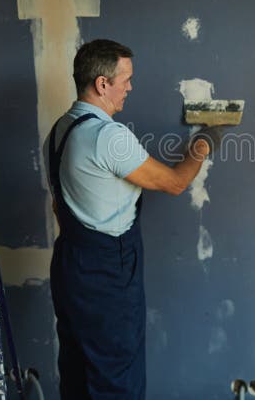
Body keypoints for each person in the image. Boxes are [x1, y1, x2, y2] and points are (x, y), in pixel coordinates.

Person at [44, 39, 216, 399]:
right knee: (116, 376)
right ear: (102, 84)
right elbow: (174, 183)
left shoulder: (60, 130)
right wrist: (204, 142)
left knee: (78, 372)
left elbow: (62, 207)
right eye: (126, 79)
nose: (130, 87)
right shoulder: (108, 136)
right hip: (108, 273)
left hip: (70, 264)